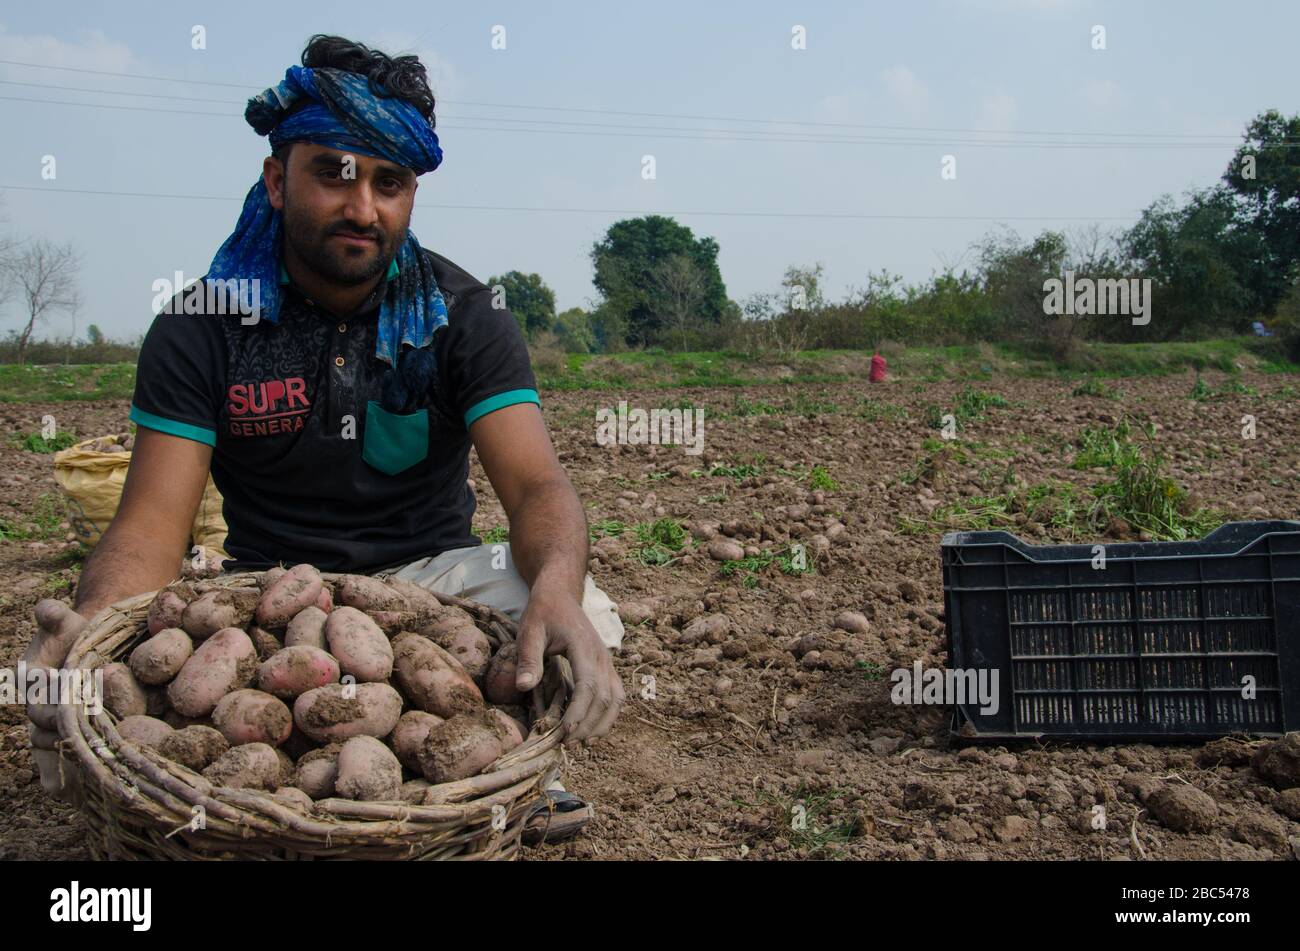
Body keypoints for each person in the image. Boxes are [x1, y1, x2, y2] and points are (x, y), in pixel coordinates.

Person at [22, 35, 625, 841]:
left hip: (432, 585)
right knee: (112, 668)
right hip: (259, 596)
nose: (362, 207)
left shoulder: (465, 317)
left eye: (389, 182)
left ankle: (500, 775)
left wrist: (553, 581)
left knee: (578, 605)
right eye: (333, 172)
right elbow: (150, 529)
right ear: (277, 179)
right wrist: (93, 627)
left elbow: (537, 487)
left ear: (412, 193)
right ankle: (208, 808)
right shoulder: (202, 326)